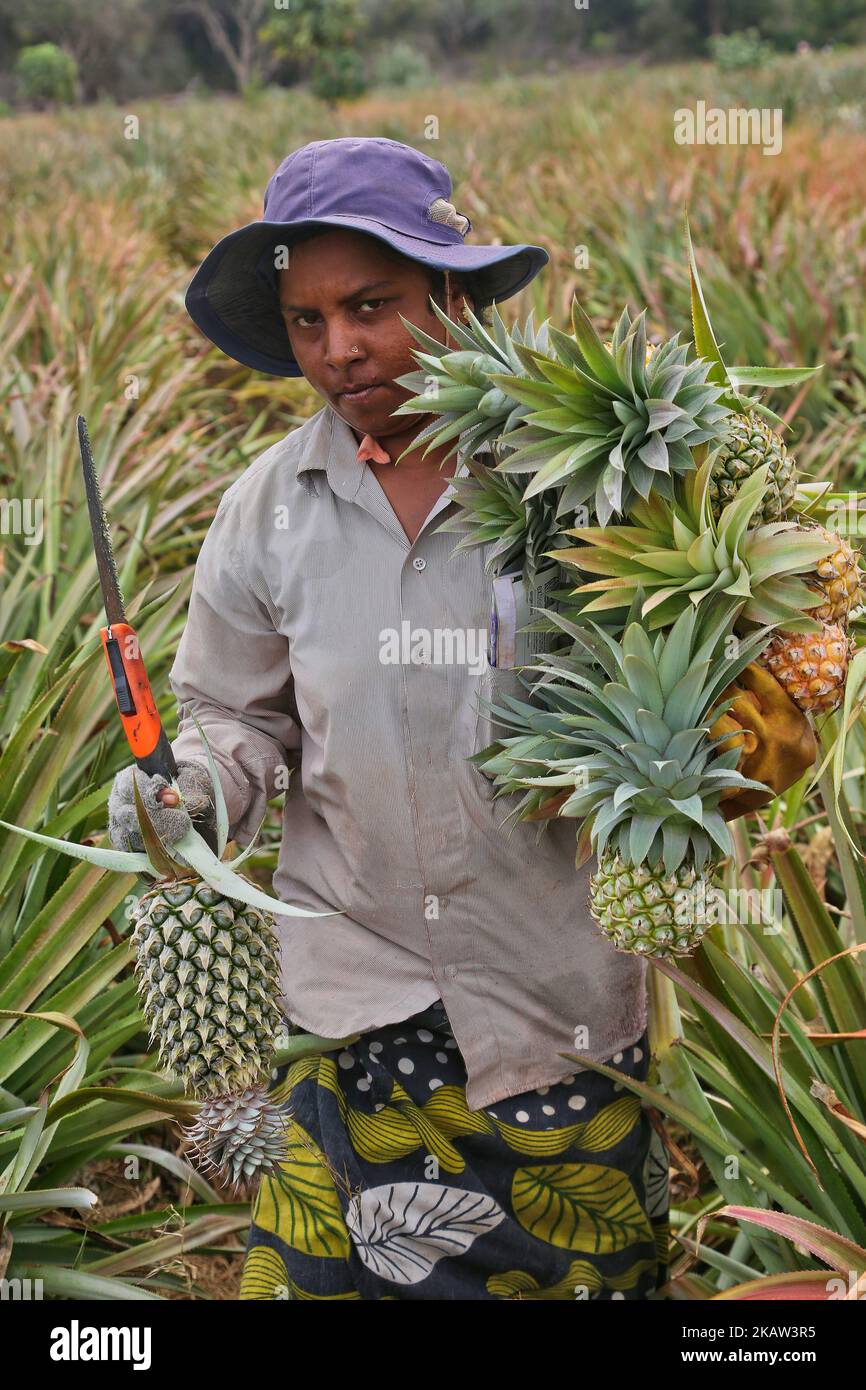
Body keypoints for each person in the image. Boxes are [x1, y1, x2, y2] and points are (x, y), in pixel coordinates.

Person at [109, 136, 672, 1301]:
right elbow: (232, 710)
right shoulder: (268, 510)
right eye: (307, 322)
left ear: (452, 295)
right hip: (357, 1017)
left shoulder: (576, 478)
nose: (339, 349)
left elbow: (688, 683)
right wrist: (195, 782)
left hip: (551, 1005)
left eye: (369, 306)